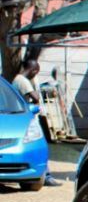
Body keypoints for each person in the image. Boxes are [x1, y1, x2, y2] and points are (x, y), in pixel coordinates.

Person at [13, 59, 60, 187]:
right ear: (33, 71)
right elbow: (36, 97)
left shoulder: (18, 79)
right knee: (40, 146)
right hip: (28, 120)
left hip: (23, 119)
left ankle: (43, 175)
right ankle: (46, 176)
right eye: (36, 73)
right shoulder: (22, 81)